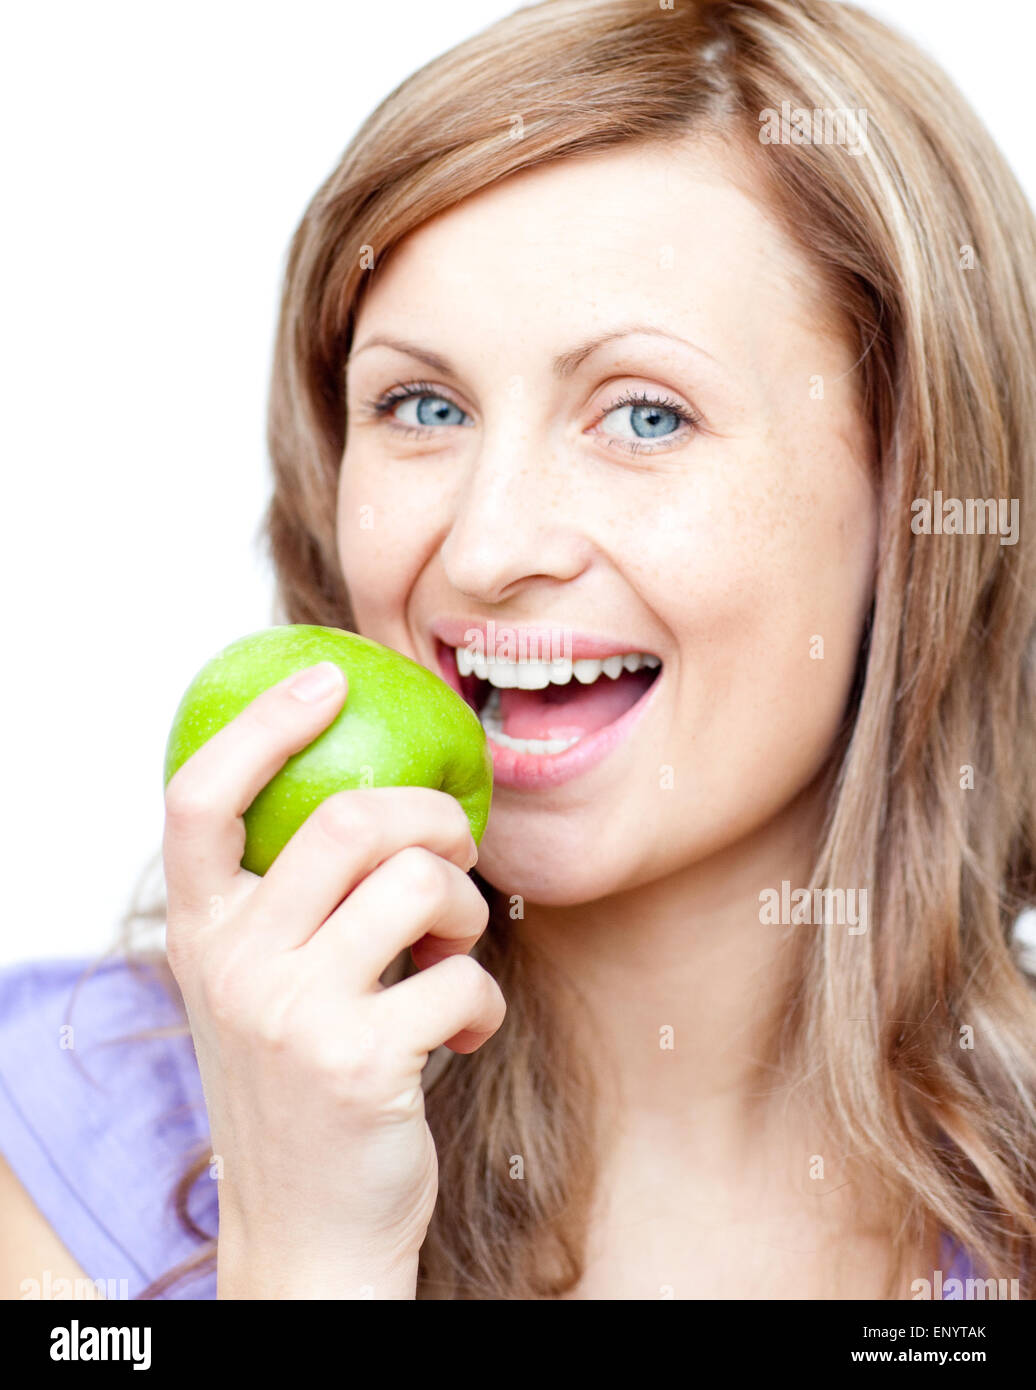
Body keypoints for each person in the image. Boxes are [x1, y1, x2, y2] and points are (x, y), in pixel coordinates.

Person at [2, 0, 1033, 1300]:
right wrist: (305, 1255)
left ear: (914, 487)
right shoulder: (67, 1138)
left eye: (645, 414)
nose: (487, 547)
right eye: (421, 406)